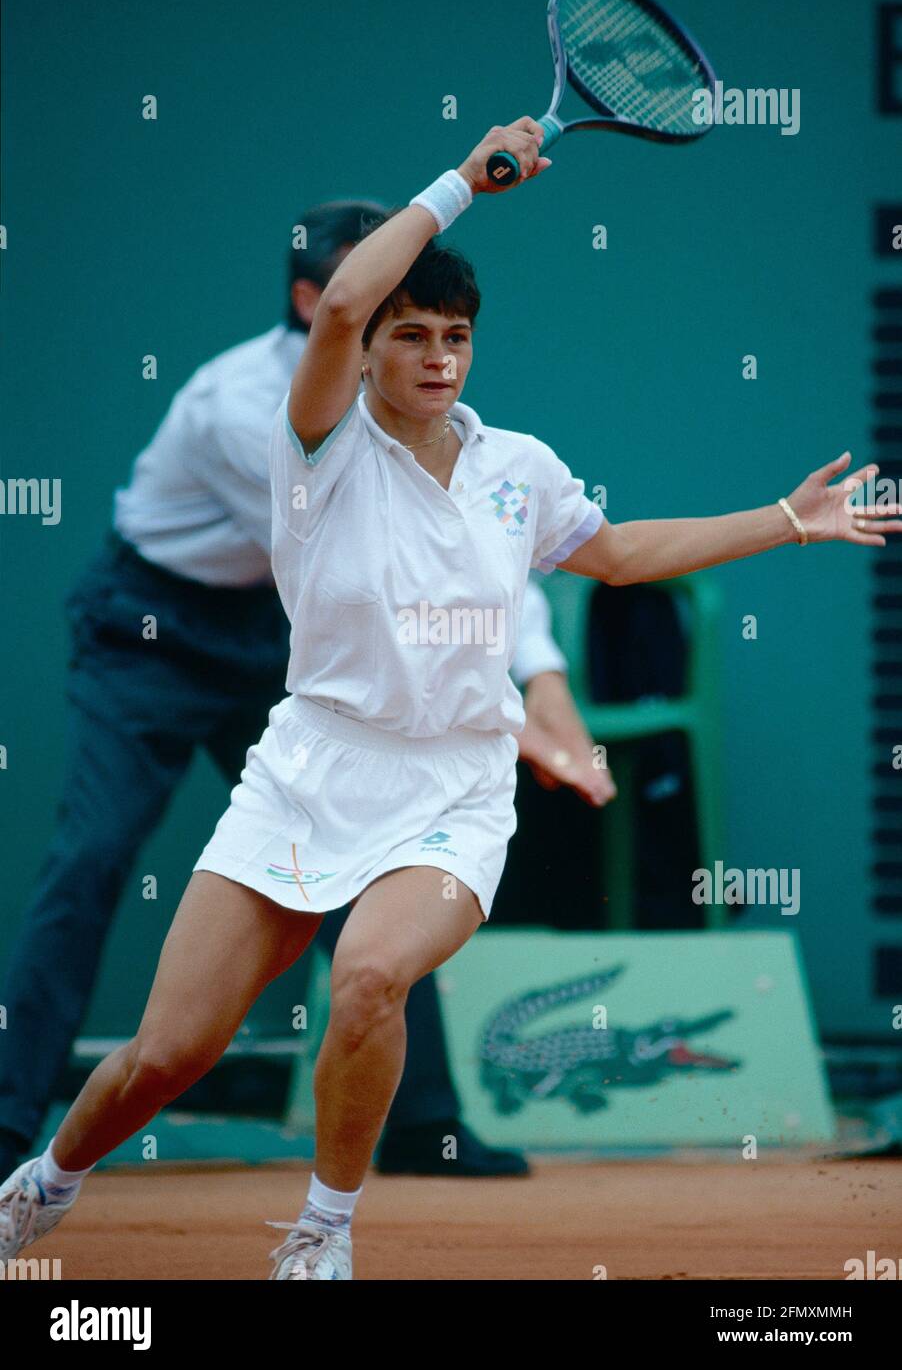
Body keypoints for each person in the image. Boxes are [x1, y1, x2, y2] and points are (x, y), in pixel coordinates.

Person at [4, 116, 886, 1282]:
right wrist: (464, 183)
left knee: (370, 974)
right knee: (167, 1054)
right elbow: (331, 309)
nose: (435, 356)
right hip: (306, 770)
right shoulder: (311, 445)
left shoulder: (515, 467)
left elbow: (616, 554)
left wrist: (782, 520)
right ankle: (44, 1181)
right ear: (363, 349)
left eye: (455, 337)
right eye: (409, 334)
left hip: (453, 787)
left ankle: (322, 1230)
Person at [0, 200, 614, 1191]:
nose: (417, 328)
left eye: (441, 319)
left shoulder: (453, 438)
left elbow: (466, 559)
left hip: (281, 635)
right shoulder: (244, 407)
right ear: (321, 299)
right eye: (381, 292)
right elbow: (402, 563)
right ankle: (12, 1127)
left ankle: (418, 1125)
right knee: (93, 856)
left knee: (380, 866)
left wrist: (543, 688)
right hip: (150, 633)